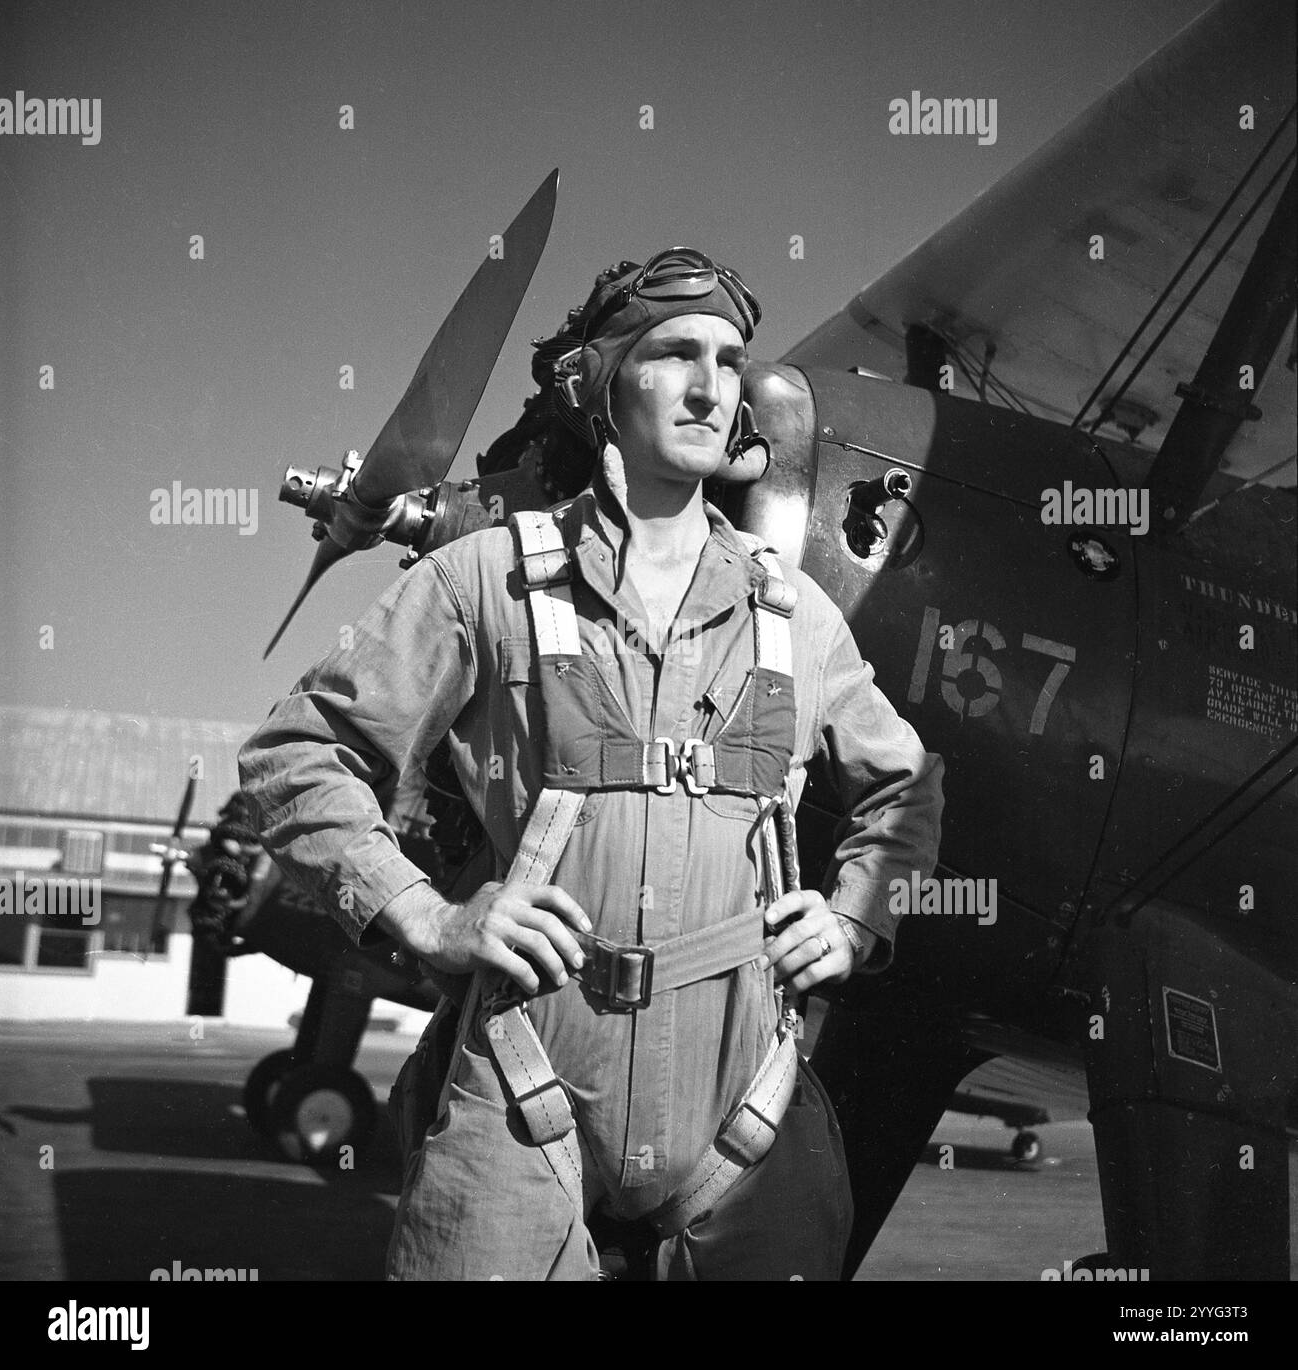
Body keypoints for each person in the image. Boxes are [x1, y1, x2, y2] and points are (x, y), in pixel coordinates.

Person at [238, 248, 943, 1281]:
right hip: (523, 1081)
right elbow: (296, 751)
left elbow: (907, 781)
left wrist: (853, 917)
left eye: (728, 358)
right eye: (672, 354)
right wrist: (425, 912)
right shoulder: (485, 580)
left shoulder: (796, 613)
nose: (711, 385)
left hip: (748, 1101)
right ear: (596, 383)